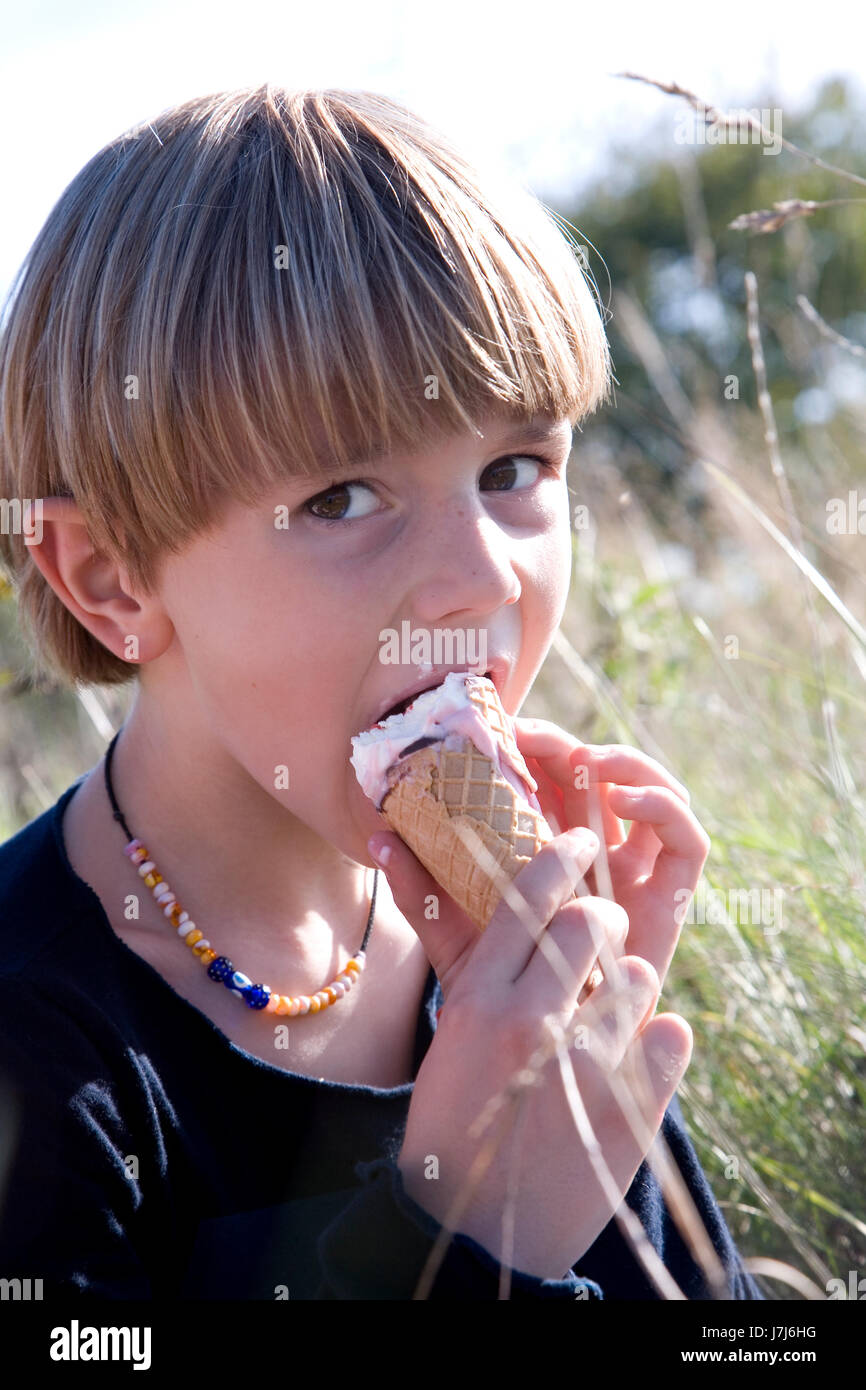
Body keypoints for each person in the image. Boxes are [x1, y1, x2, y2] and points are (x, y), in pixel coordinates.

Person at [0, 83, 763, 1300]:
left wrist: (603, 1085)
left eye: (515, 467)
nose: (477, 579)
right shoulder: (38, 1052)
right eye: (340, 500)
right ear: (112, 577)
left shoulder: (517, 950)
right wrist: (469, 1232)